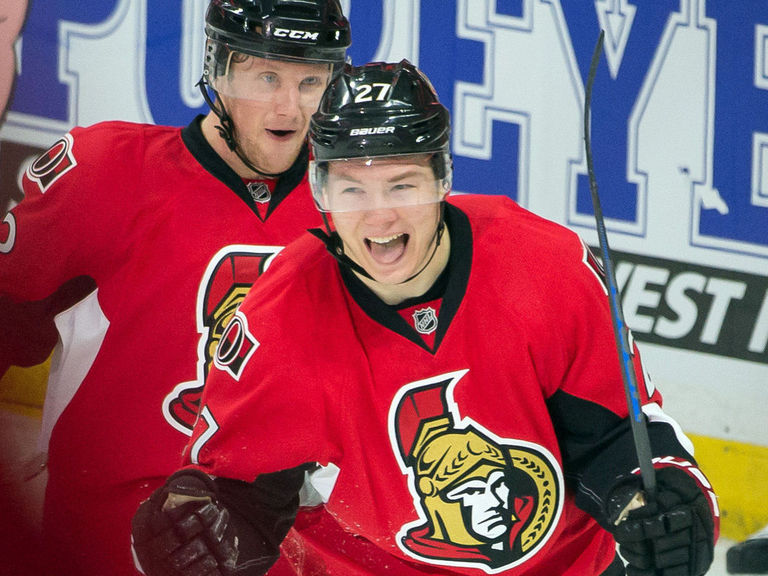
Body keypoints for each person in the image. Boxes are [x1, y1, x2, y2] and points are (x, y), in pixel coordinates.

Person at [131, 60, 719, 576]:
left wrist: (663, 507)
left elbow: (617, 435)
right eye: (353, 189)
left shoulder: (546, 270)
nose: (379, 217)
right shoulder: (279, 317)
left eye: (402, 184)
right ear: (320, 191)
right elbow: (243, 496)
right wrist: (199, 534)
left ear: (442, 179)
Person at [0, 1, 350, 574]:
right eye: (268, 76)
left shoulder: (357, 209)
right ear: (217, 67)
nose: (291, 106)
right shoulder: (110, 172)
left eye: (311, 80)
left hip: (286, 555)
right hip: (104, 550)